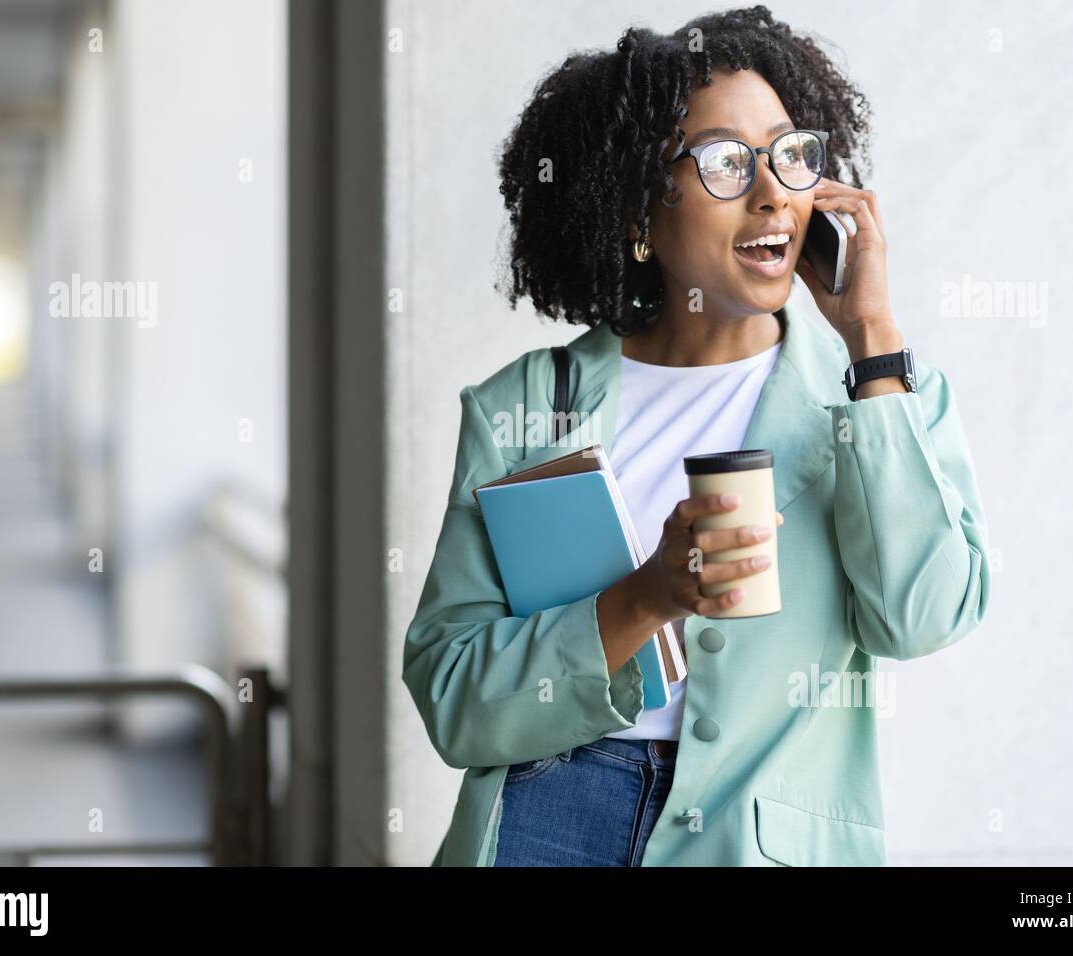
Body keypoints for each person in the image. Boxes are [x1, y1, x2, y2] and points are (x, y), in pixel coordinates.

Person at [403, 4, 991, 867]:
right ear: (640, 208)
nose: (771, 192)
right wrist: (646, 598)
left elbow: (925, 617)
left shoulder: (882, 393)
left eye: (789, 154)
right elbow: (452, 695)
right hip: (544, 824)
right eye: (724, 161)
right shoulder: (525, 406)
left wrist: (871, 338)